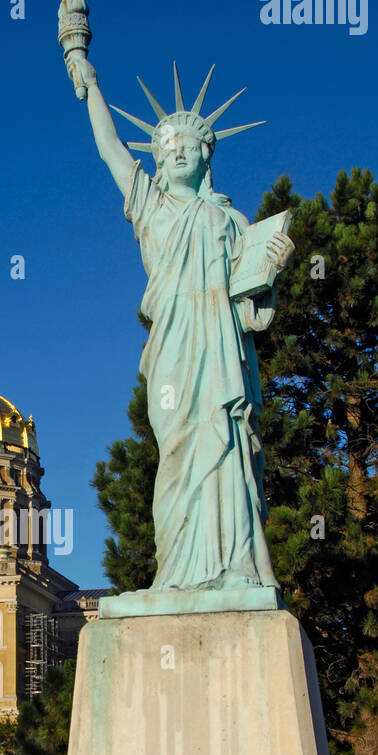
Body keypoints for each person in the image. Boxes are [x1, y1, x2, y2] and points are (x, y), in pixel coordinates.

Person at [67, 51, 294, 609]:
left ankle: (235, 567)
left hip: (220, 345)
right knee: (178, 457)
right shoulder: (151, 206)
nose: (176, 153)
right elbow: (111, 149)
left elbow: (249, 303)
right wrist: (86, 72)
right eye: (166, 148)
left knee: (227, 447)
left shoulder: (229, 219)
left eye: (187, 146)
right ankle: (177, 573)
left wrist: (268, 276)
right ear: (159, 160)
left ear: (205, 156)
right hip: (173, 345)